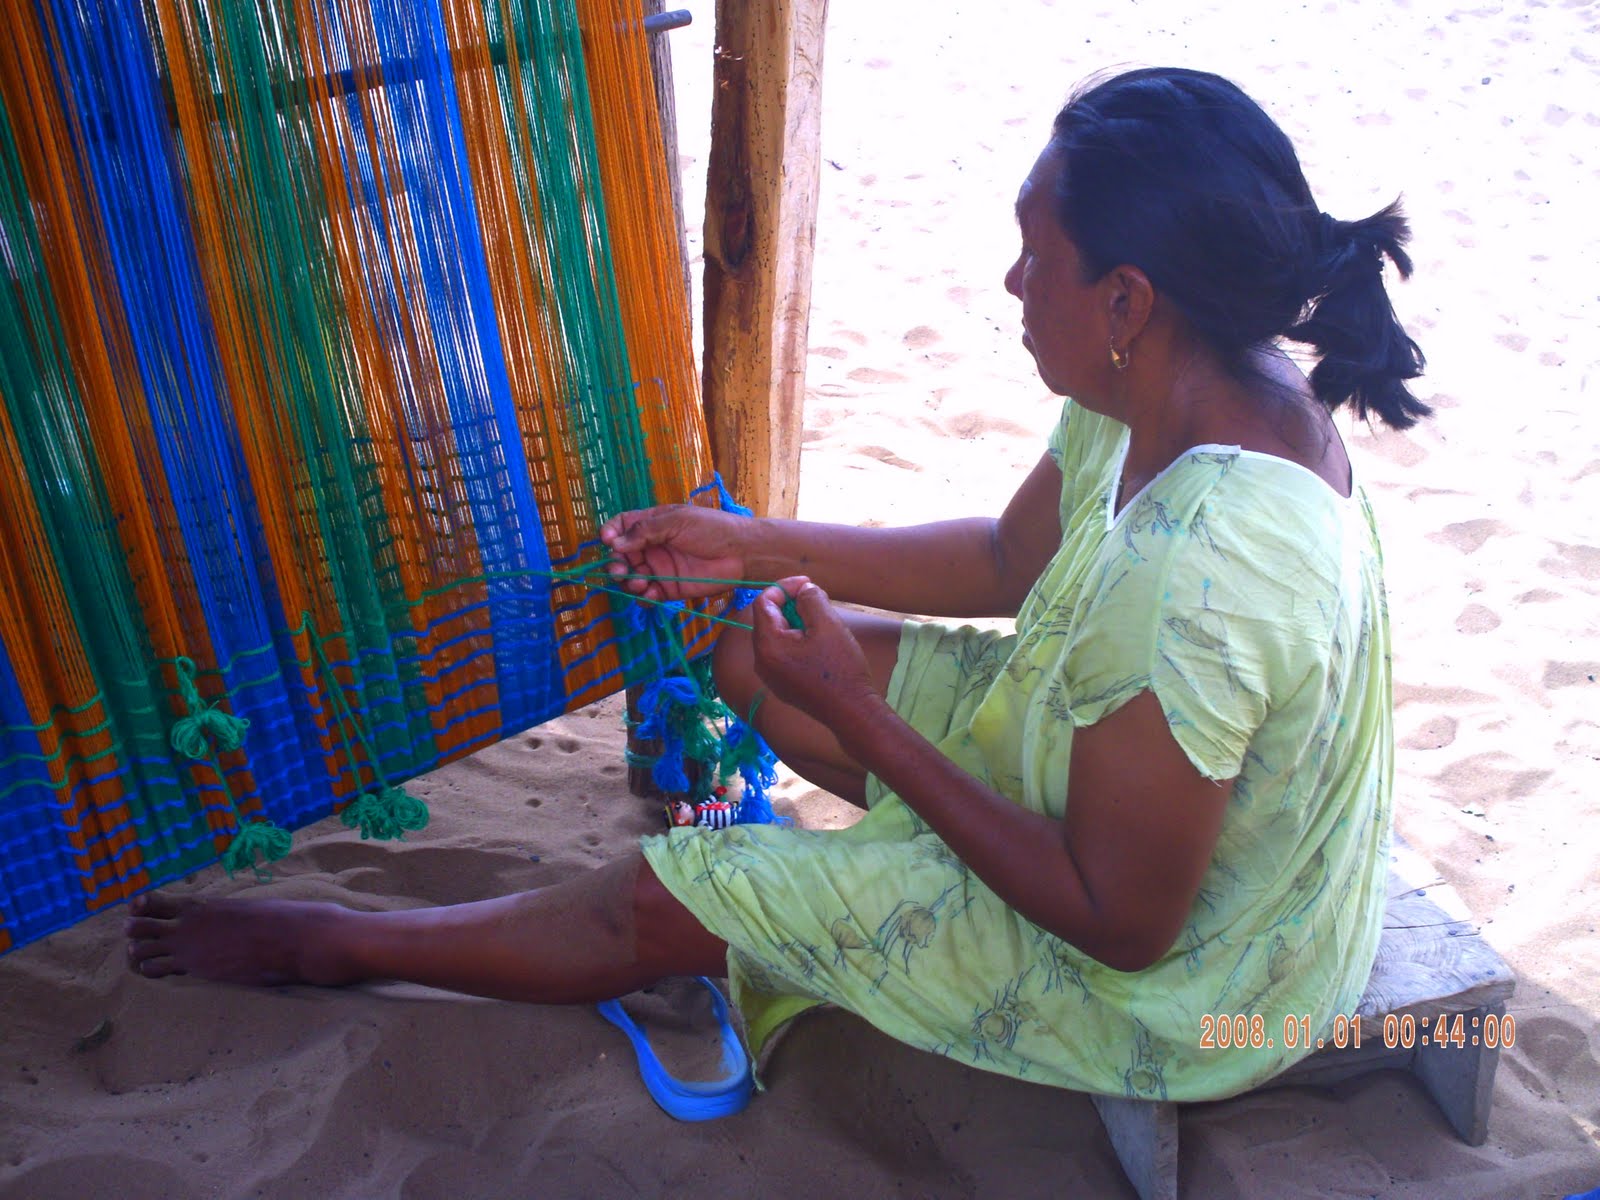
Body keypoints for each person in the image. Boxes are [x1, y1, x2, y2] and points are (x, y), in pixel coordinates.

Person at [125, 67, 1426, 1102]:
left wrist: (858, 723)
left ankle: (336, 943)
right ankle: (907, 847)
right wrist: (752, 549)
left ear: (1127, 298)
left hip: (1198, 990)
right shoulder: (1175, 384)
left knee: (677, 893)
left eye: (1038, 257)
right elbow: (1007, 561)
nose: (1015, 284)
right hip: (1134, 821)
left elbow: (1118, 924)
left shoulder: (1200, 576)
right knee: (751, 650)